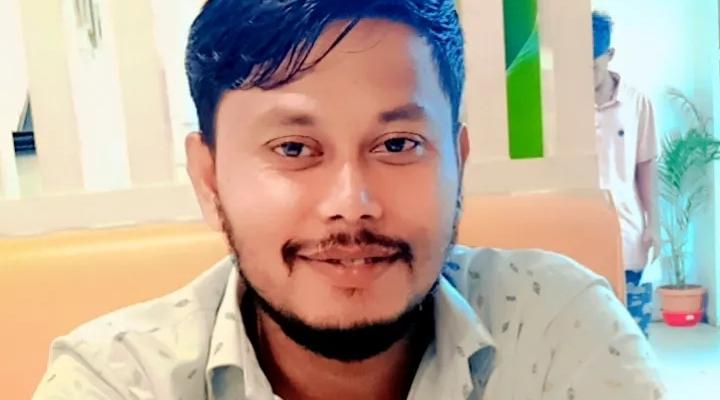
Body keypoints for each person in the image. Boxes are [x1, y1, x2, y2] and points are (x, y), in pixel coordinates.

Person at [32, 1, 664, 399]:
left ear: (458, 163)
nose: (351, 203)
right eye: (293, 148)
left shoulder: (559, 331)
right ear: (209, 179)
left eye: (398, 144)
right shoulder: (117, 380)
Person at [592, 11, 661, 338]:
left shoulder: (636, 102)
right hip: (582, 232)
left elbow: (645, 165)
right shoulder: (562, 105)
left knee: (634, 334)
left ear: (609, 55)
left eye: (592, 66)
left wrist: (654, 224)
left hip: (628, 232)